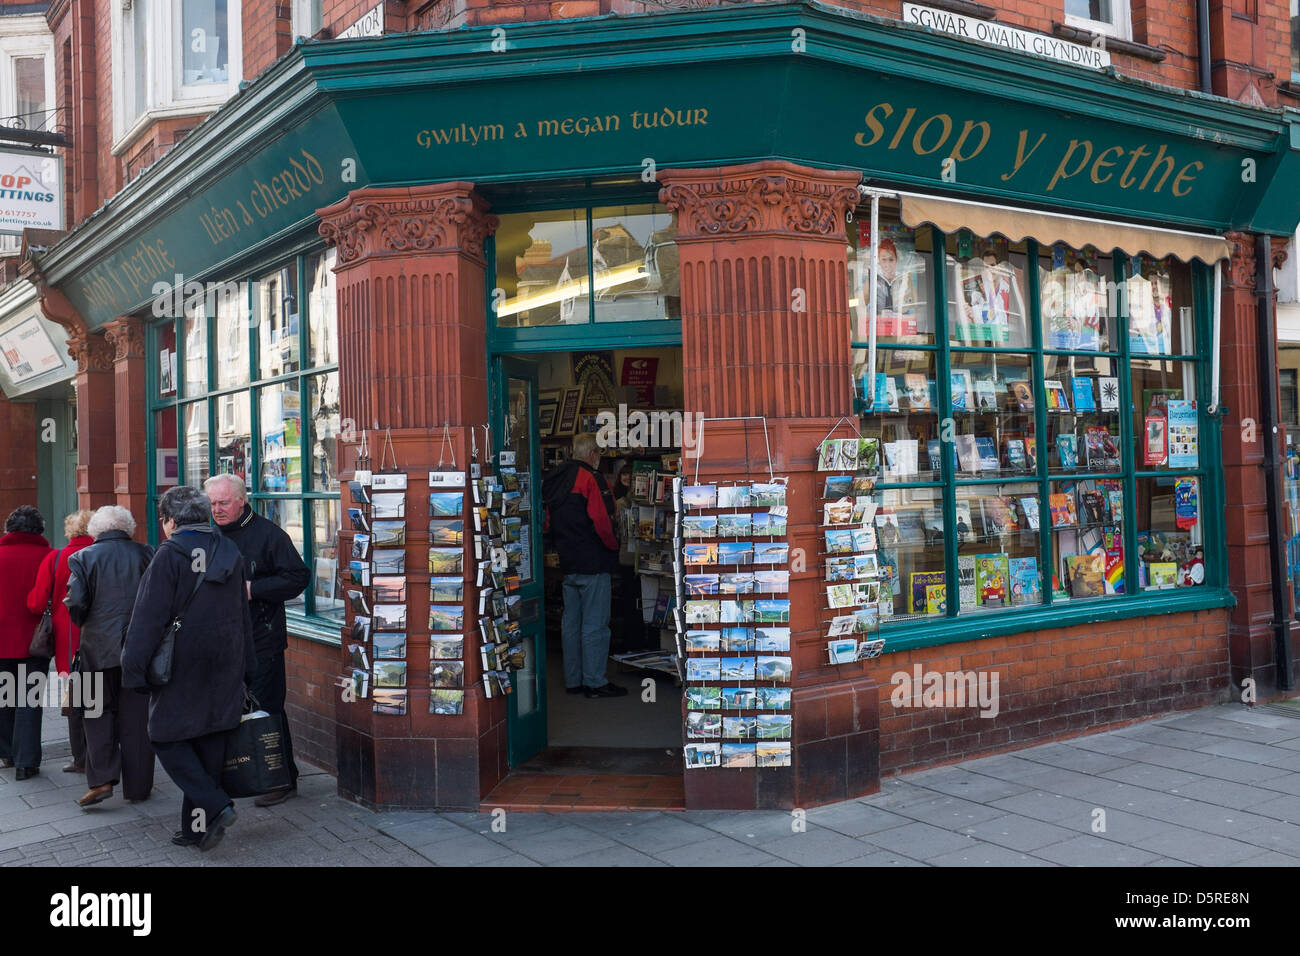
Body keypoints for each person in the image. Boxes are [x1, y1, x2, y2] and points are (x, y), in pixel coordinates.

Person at [122, 486, 255, 852]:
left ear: (170, 521)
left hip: (183, 663)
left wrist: (133, 670)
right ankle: (195, 829)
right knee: (208, 741)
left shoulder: (169, 555)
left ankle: (216, 806)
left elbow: (146, 620)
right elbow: (242, 615)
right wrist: (248, 666)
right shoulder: (229, 549)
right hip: (226, 660)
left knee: (165, 736)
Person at [203, 473, 308, 806]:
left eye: (223, 502)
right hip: (223, 639)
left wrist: (254, 589)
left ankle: (281, 779)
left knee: (266, 708)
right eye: (212, 503)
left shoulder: (268, 535)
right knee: (231, 709)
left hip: (262, 637)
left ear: (241, 500)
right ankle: (244, 773)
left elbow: (298, 576)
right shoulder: (209, 534)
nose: (217, 509)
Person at [64, 506, 157, 807]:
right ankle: (138, 786)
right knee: (137, 719)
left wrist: (87, 621)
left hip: (95, 648)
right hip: (139, 649)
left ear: (95, 531)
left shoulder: (81, 558)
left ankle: (102, 779)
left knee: (95, 714)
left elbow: (76, 603)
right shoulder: (147, 553)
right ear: (128, 528)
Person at [541, 433, 625, 699]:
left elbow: (545, 521)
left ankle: (574, 680)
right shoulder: (591, 478)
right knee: (595, 624)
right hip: (593, 560)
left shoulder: (554, 478)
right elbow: (602, 520)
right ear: (592, 454)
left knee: (571, 624)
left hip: (567, 561)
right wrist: (613, 547)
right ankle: (595, 682)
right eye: (598, 454)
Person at [26, 510, 95, 773]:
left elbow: (36, 601)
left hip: (68, 639)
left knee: (77, 697)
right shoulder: (102, 555)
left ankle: (81, 758)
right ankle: (104, 755)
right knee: (102, 698)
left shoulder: (55, 558)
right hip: (104, 637)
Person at [0, 506, 53, 779]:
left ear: (8, 529)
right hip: (36, 642)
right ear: (40, 530)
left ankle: (7, 752)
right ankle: (26, 761)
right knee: (29, 700)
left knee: (4, 696)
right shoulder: (50, 557)